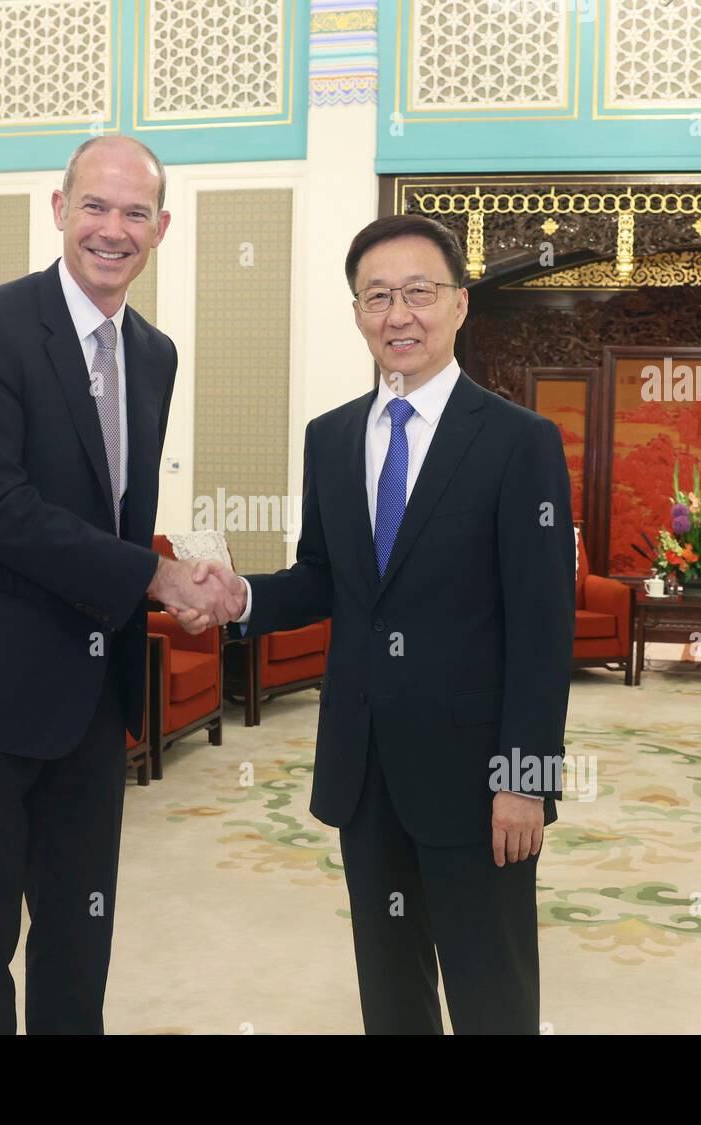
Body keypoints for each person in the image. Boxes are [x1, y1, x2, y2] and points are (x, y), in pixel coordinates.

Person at [184, 213, 576, 1034]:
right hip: (365, 774)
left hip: (479, 783)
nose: (399, 314)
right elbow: (327, 578)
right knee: (390, 994)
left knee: (492, 991)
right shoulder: (331, 439)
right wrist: (241, 599)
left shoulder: (519, 442)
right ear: (358, 312)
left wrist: (526, 778)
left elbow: (544, 631)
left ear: (461, 305)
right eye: (377, 296)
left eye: (419, 293)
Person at [0, 135, 234, 1035]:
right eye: (94, 206)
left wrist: (165, 584)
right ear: (57, 207)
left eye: (133, 213)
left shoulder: (154, 353)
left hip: (92, 692)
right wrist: (155, 575)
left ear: (161, 228)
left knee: (81, 929)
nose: (111, 230)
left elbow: (114, 515)